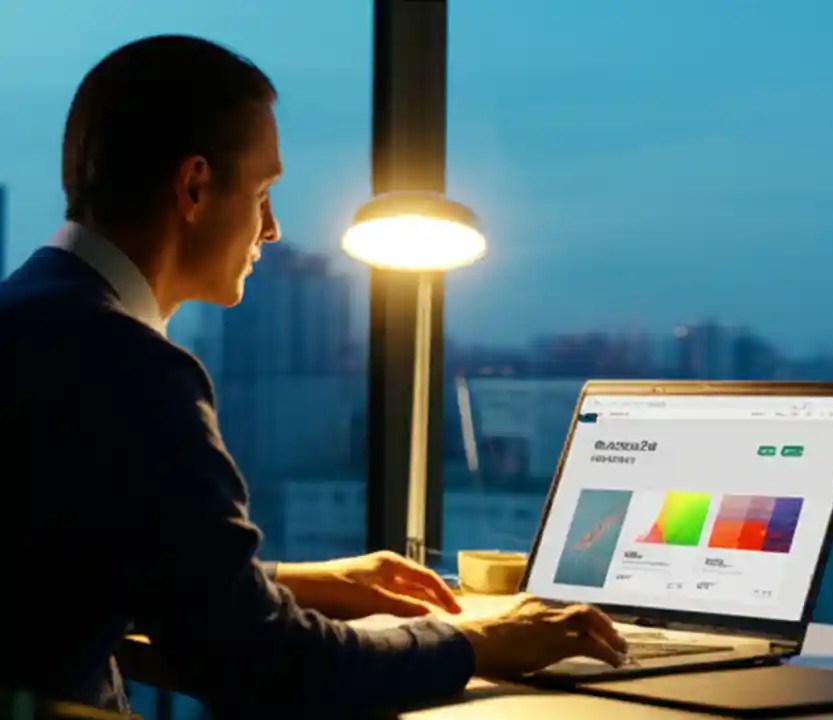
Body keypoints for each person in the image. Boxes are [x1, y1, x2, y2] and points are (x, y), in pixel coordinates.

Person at [0, 34, 627, 717]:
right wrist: (470, 642)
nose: (270, 228)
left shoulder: (29, 315)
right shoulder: (132, 369)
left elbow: (75, 563)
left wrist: (303, 581)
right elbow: (266, 663)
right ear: (195, 186)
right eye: (263, 191)